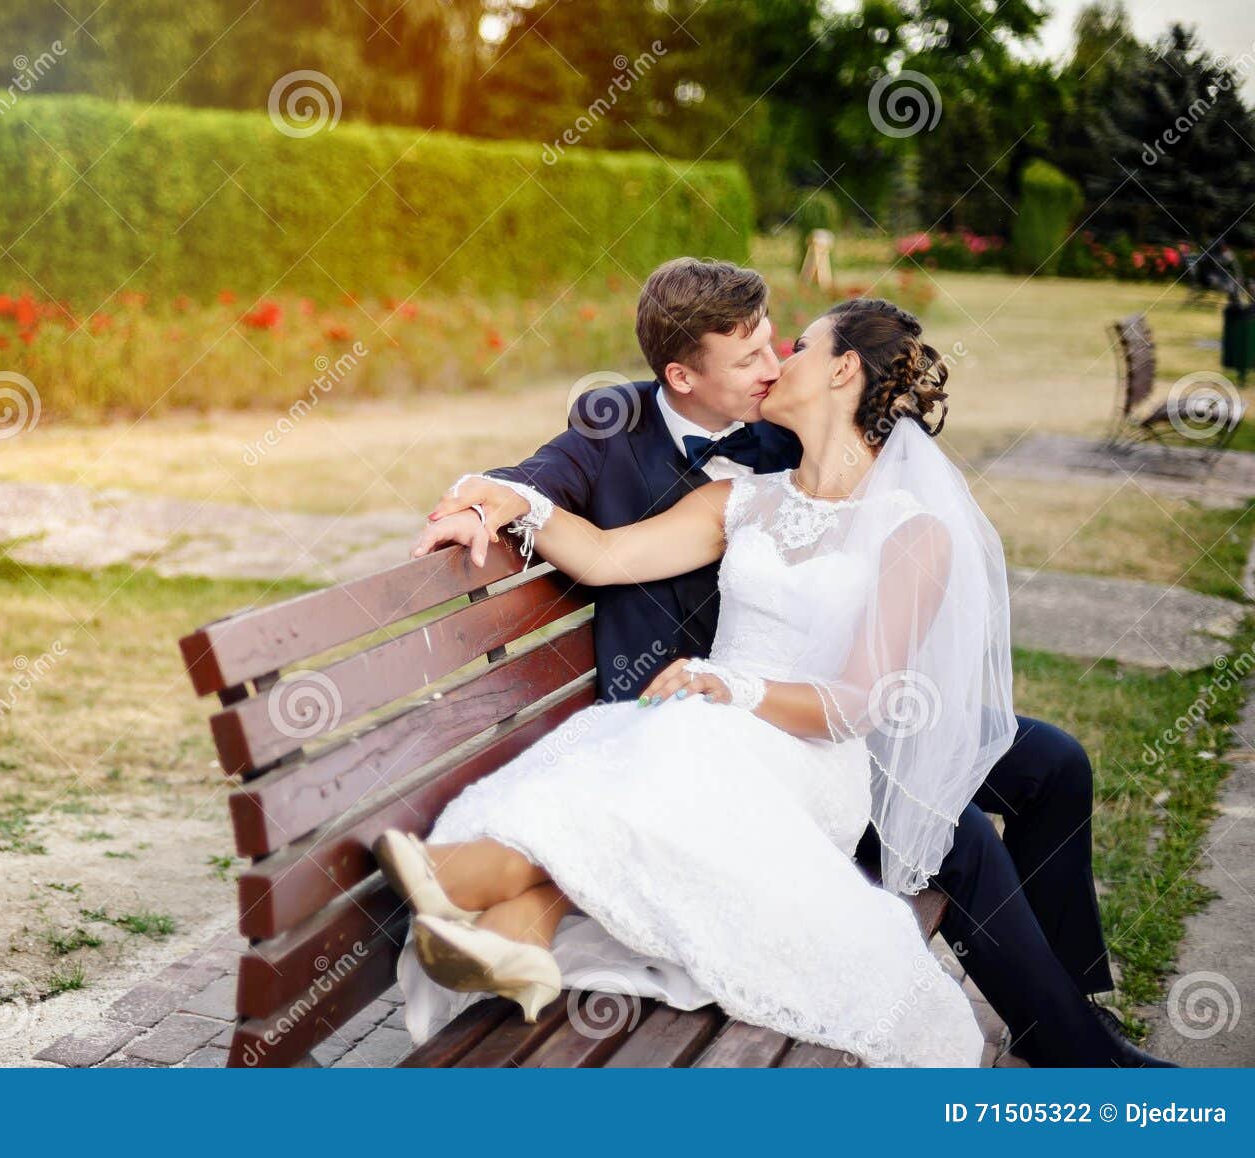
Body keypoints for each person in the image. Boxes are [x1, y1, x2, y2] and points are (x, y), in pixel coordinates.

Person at [399, 262, 1174, 1066]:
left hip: (804, 713)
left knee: (1050, 763)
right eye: (758, 354)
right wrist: (500, 497)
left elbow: (862, 686)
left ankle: (1073, 1015)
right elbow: (585, 535)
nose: (773, 365)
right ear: (683, 374)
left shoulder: (816, 459)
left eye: (790, 347)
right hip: (716, 711)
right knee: (961, 834)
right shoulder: (712, 471)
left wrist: (736, 686)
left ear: (843, 373)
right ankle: (1070, 1043)